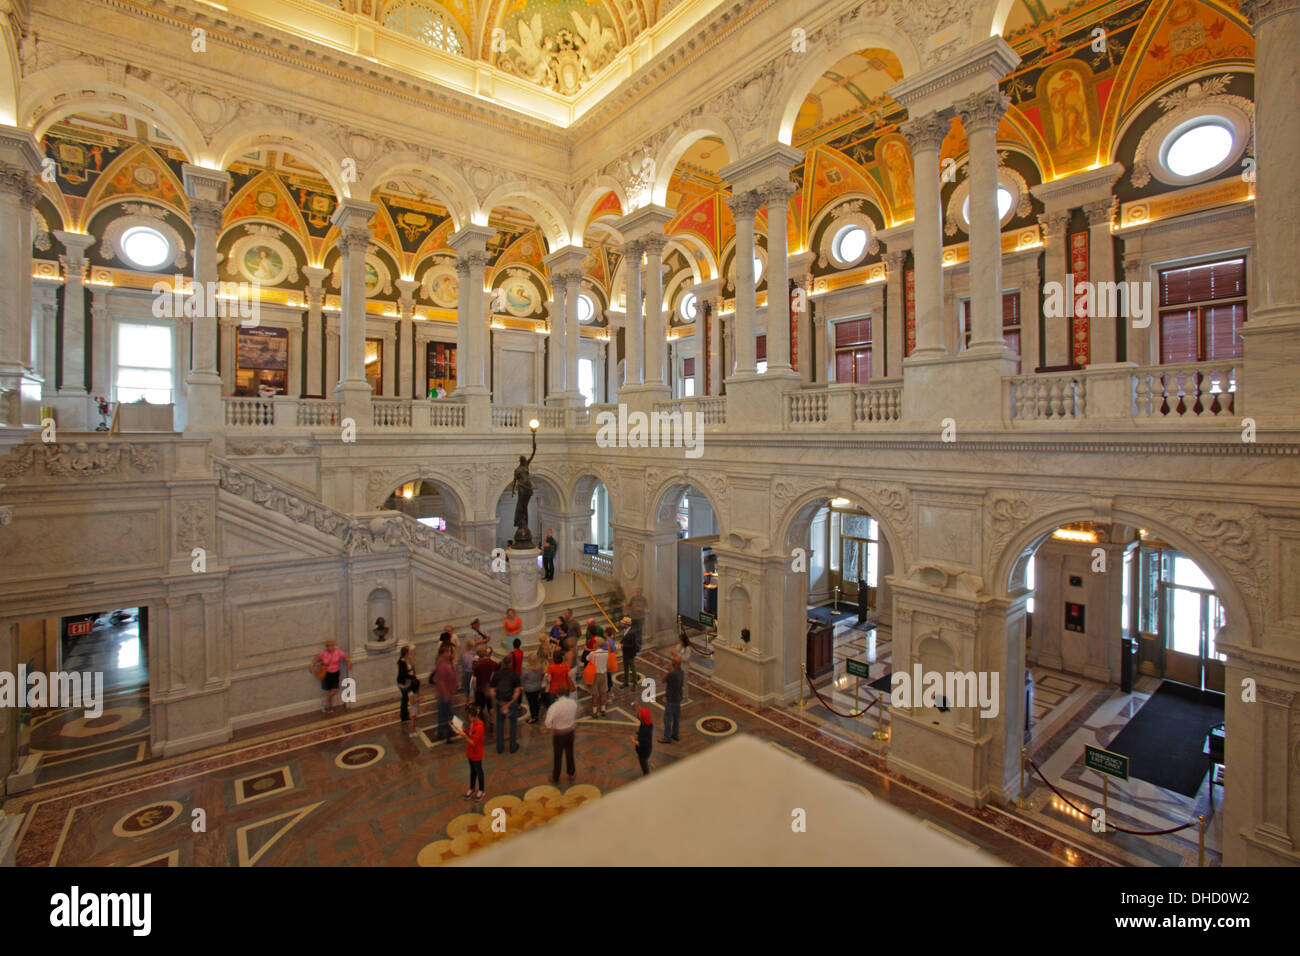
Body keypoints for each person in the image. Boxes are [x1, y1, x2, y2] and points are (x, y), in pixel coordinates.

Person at [490, 654, 522, 754]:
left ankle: (500, 747)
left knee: (499, 724)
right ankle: (512, 747)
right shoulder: (514, 675)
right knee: (513, 724)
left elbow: (492, 691)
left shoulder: (497, 675)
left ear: (502, 663)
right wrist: (509, 704)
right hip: (511, 702)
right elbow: (517, 691)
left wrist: (499, 702)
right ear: (511, 664)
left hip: (500, 701)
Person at [545, 686, 577, 783]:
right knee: (570, 753)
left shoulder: (554, 706)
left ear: (557, 694)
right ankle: (571, 772)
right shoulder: (573, 703)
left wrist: (552, 727)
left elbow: (547, 722)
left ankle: (556, 776)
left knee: (558, 756)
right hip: (570, 731)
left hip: (559, 734)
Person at [309, 639, 351, 714]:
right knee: (329, 690)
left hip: (335, 673)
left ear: (333, 646)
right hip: (327, 674)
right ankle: (330, 707)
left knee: (335, 689)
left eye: (331, 646)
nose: (329, 647)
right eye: (328, 646)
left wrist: (348, 663)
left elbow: (346, 658)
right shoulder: (324, 654)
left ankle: (325, 703)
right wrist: (312, 666)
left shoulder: (338, 652)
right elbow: (316, 660)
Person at [457, 704, 486, 801]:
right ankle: (472, 788)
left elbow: (474, 743)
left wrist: (464, 736)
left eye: (470, 717)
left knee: (479, 771)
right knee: (472, 771)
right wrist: (463, 731)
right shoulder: (472, 723)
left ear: (474, 716)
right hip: (470, 752)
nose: (469, 719)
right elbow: (470, 733)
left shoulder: (480, 727)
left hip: (476, 753)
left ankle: (481, 790)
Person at [432, 643, 457, 745]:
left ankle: (442, 732)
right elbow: (441, 681)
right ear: (444, 653)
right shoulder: (442, 665)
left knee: (444, 714)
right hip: (444, 695)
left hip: (446, 693)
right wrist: (446, 694)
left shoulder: (444, 663)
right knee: (446, 715)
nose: (450, 653)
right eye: (448, 652)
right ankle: (447, 735)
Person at [472, 647, 499, 729]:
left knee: (479, 707)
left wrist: (475, 688)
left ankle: (480, 722)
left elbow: (474, 679)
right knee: (491, 707)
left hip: (480, 689)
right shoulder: (494, 663)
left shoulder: (478, 665)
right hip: (489, 689)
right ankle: (492, 722)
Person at [397, 644, 420, 736]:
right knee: (405, 699)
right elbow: (403, 674)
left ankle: (406, 716)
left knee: (406, 698)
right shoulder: (401, 662)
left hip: (409, 682)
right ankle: (404, 716)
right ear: (406, 653)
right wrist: (412, 676)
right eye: (409, 651)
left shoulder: (408, 660)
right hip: (404, 683)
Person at [661, 653, 684, 743]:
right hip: (678, 698)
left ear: (674, 663)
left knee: (668, 719)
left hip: (671, 699)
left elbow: (663, 681)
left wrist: (668, 671)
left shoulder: (672, 674)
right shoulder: (681, 672)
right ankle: (675, 734)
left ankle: (667, 737)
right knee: (676, 718)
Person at [522, 643, 546, 723]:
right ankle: (537, 714)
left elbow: (522, 678)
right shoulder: (540, 667)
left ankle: (533, 717)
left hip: (529, 689)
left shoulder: (527, 670)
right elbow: (542, 675)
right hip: (537, 687)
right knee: (536, 701)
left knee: (531, 703)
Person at [588, 637, 609, 717]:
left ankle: (594, 712)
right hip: (603, 674)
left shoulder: (593, 654)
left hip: (595, 675)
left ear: (597, 644)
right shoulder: (606, 653)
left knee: (595, 694)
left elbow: (587, 659)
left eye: (594, 642)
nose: (593, 644)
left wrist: (593, 651)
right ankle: (603, 709)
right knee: (603, 693)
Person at [619, 616, 639, 693]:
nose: (621, 624)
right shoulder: (625, 631)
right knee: (625, 668)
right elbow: (624, 639)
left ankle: (635, 683)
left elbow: (633, 645)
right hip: (625, 652)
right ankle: (626, 682)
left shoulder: (632, 633)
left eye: (623, 623)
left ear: (625, 624)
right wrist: (621, 642)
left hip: (630, 653)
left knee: (632, 668)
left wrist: (624, 645)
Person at [633, 706, 654, 775]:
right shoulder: (648, 724)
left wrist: (634, 740)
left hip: (643, 751)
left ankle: (647, 775)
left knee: (643, 763)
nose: (639, 714)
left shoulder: (645, 730)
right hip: (647, 748)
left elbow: (640, 743)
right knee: (644, 761)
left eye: (640, 714)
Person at [677, 630, 693, 703]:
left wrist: (678, 655)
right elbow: (675, 651)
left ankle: (685, 697)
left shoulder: (688, 649)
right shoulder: (679, 646)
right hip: (678, 667)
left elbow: (686, 658)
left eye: (680, 640)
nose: (679, 642)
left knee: (684, 683)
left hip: (684, 668)